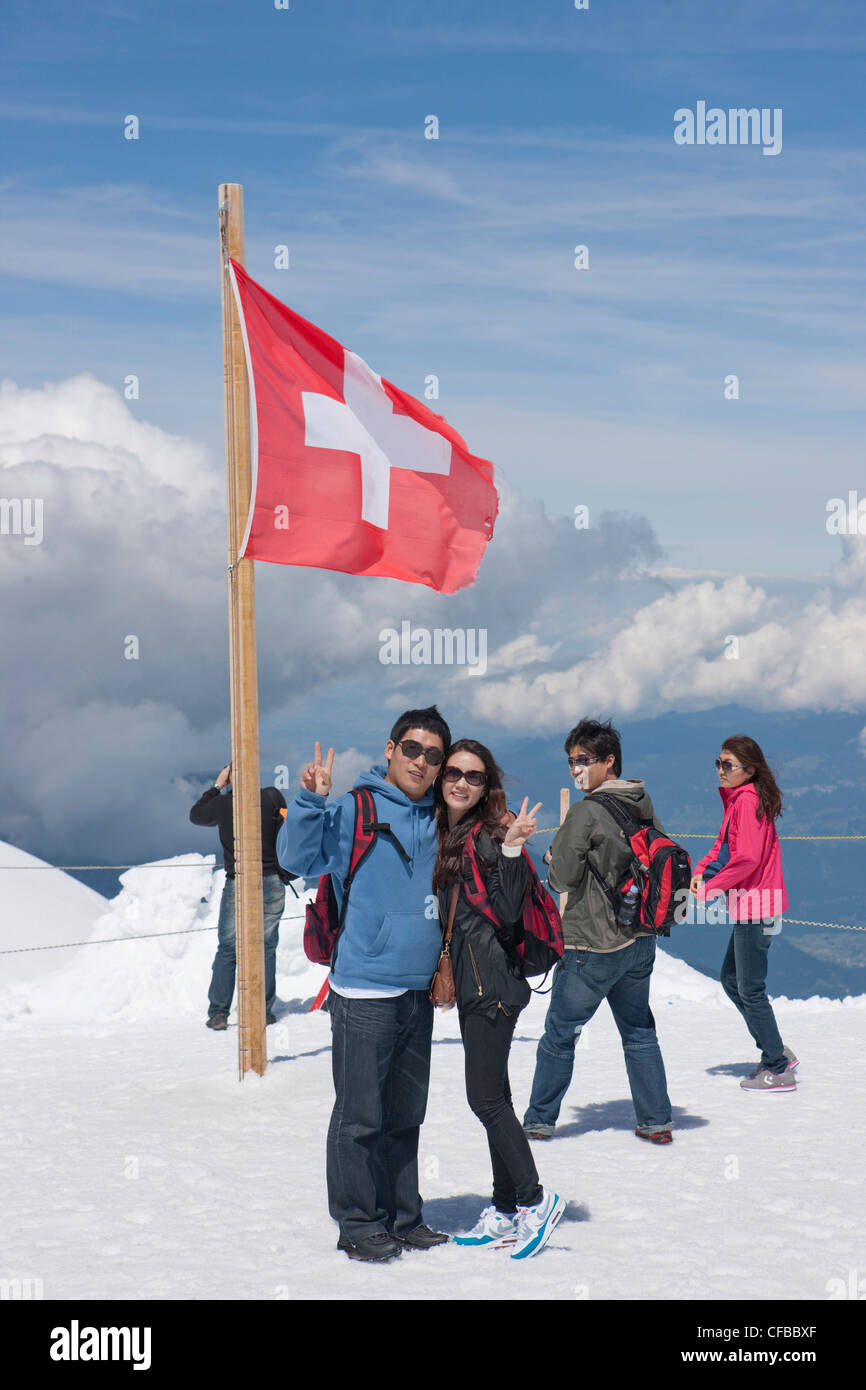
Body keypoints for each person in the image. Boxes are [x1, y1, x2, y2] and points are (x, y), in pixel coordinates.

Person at [277, 707, 452, 1264]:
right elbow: (296, 859)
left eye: (432, 755)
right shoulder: (358, 808)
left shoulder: (442, 816)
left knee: (406, 1114)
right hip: (363, 991)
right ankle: (357, 1222)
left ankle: (403, 1216)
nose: (420, 761)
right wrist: (310, 802)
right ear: (390, 749)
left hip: (417, 992)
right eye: (412, 749)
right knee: (359, 1117)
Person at [434, 739, 565, 1258]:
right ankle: (506, 1209)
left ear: (487, 786)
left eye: (474, 776)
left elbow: (509, 911)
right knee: (498, 1099)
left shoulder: (487, 836)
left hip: (491, 989)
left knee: (484, 1098)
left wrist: (511, 848)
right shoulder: (453, 833)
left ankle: (536, 1199)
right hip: (481, 984)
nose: (461, 782)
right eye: (453, 773)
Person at [523, 718, 674, 1145]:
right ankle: (656, 1121)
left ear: (609, 762)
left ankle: (537, 1122)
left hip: (591, 943)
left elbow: (562, 880)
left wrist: (553, 857)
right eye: (571, 761)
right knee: (639, 1031)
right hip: (640, 939)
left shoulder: (586, 811)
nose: (575, 770)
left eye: (584, 760)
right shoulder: (641, 801)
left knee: (559, 1035)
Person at [690, 735, 797, 1092]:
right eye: (718, 762)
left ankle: (778, 1066)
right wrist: (703, 870)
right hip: (752, 904)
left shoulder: (747, 801)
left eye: (728, 765)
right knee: (733, 980)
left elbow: (747, 858)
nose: (720, 770)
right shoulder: (740, 799)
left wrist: (710, 890)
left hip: (757, 906)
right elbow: (723, 846)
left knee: (749, 988)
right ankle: (774, 1047)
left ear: (749, 770)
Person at [190, 763, 297, 1030]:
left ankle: (219, 1012)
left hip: (238, 882)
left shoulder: (224, 804)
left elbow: (196, 815)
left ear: (231, 778)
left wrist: (217, 786)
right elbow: (289, 825)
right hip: (271, 881)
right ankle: (263, 1010)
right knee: (266, 946)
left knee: (228, 948)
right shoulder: (273, 797)